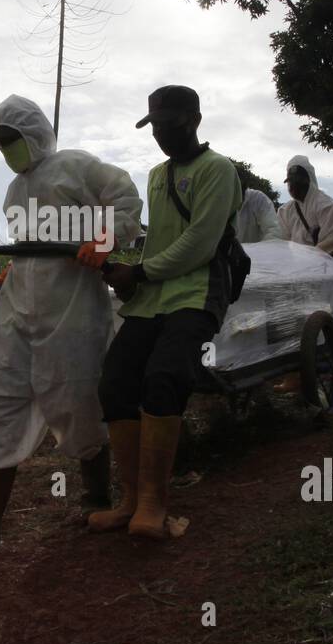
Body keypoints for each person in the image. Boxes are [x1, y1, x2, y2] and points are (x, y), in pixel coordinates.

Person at [0, 95, 142, 550]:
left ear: (35, 134)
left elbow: (124, 196)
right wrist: (7, 276)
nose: (7, 151)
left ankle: (95, 497)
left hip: (73, 305)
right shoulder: (13, 192)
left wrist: (104, 237)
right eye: (0, 145)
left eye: (12, 140)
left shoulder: (76, 166)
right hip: (19, 308)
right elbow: (30, 246)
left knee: (77, 397)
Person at [95, 85, 242, 540]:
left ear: (195, 120)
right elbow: (156, 235)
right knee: (116, 380)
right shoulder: (157, 175)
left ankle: (155, 502)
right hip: (153, 295)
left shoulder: (219, 170)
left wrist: (139, 273)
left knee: (164, 377)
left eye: (170, 125)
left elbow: (199, 243)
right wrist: (114, 259)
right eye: (155, 127)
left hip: (197, 292)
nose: (161, 135)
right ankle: (130, 499)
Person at [275, 155, 333, 252]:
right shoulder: (284, 211)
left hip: (324, 264)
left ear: (309, 181)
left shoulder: (327, 206)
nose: (293, 186)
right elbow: (282, 244)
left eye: (298, 182)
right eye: (291, 182)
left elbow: (329, 242)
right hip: (295, 264)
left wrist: (307, 259)